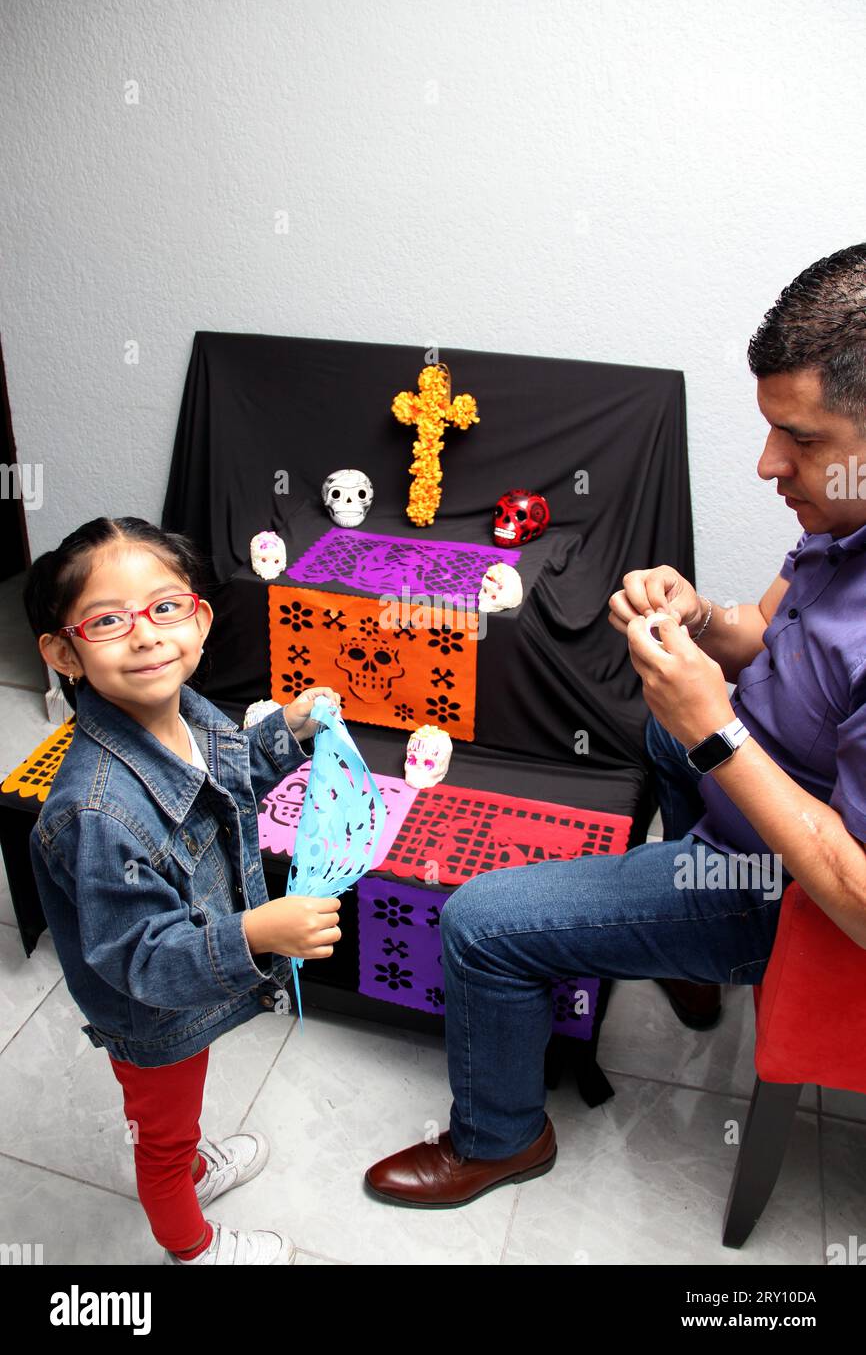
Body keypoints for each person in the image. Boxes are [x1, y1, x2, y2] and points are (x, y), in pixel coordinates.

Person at [364, 242, 866, 1207]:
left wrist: (718, 731)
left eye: (800, 439)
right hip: (759, 799)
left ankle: (500, 1139)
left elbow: (858, 901)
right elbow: (766, 631)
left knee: (478, 925)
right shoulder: (843, 515)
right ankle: (688, 963)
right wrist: (700, 618)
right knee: (652, 730)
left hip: (789, 888)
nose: (768, 465)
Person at [23, 516, 343, 1265]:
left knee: (181, 1111)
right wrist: (260, 931)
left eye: (167, 607)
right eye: (108, 620)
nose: (147, 637)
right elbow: (141, 958)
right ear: (64, 652)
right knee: (160, 1134)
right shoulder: (97, 812)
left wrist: (285, 733)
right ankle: (191, 1244)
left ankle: (194, 1164)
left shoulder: (187, 714)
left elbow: (226, 788)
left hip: (191, 987)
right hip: (152, 1012)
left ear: (199, 620)